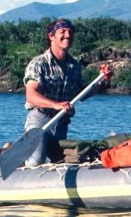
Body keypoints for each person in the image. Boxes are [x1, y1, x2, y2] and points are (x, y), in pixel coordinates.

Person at [23, 18, 111, 146]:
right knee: (36, 162)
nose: (68, 35)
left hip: (61, 123)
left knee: (56, 162)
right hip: (40, 120)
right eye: (63, 31)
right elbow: (31, 95)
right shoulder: (39, 63)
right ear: (51, 36)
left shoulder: (74, 66)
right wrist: (55, 105)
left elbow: (82, 94)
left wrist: (101, 79)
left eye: (70, 32)